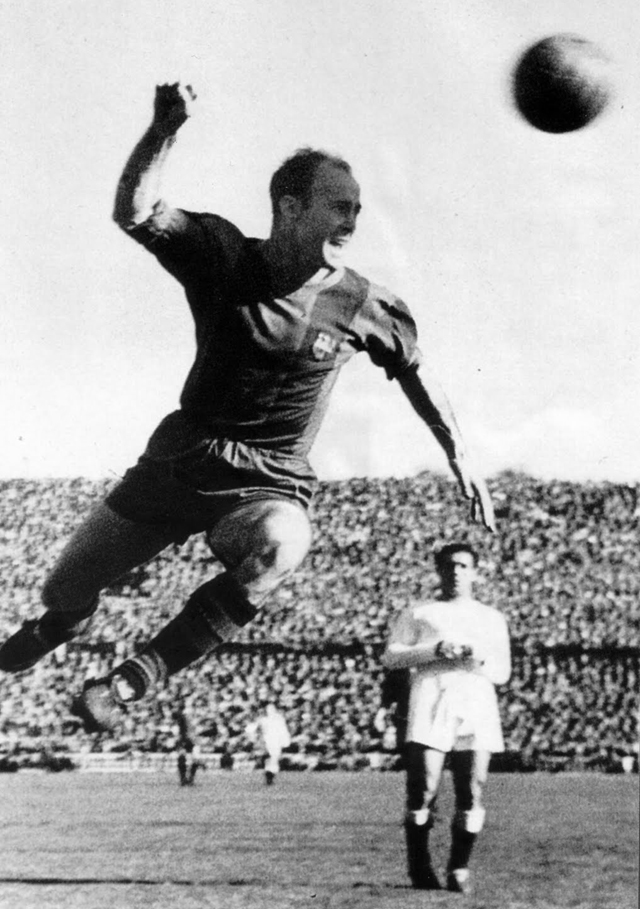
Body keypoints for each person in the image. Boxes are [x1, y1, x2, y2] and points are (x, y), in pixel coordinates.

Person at [0, 82, 495, 734]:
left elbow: (417, 371)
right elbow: (134, 209)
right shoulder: (223, 254)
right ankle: (59, 625)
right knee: (62, 589)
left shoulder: (365, 302)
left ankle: (124, 684)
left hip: (267, 479)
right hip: (178, 460)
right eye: (338, 206)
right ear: (290, 208)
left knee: (284, 542)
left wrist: (458, 451)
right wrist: (165, 130)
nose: (352, 221)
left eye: (357, 209)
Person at [382, 543, 511, 894]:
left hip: (475, 701)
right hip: (430, 699)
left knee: (473, 789)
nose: (456, 572)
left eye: (464, 566)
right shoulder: (420, 612)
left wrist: (477, 655)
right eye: (450, 565)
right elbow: (391, 657)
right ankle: (420, 867)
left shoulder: (491, 617)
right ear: (439, 570)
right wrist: (434, 650)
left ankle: (458, 869)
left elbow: (502, 672)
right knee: (424, 788)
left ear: (475, 571)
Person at [247, 703, 291, 785]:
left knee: (272, 759)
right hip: (269, 741)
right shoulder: (265, 719)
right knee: (272, 759)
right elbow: (253, 728)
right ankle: (269, 776)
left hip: (274, 740)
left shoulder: (277, 718)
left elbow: (283, 730)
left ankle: (269, 776)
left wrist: (285, 741)